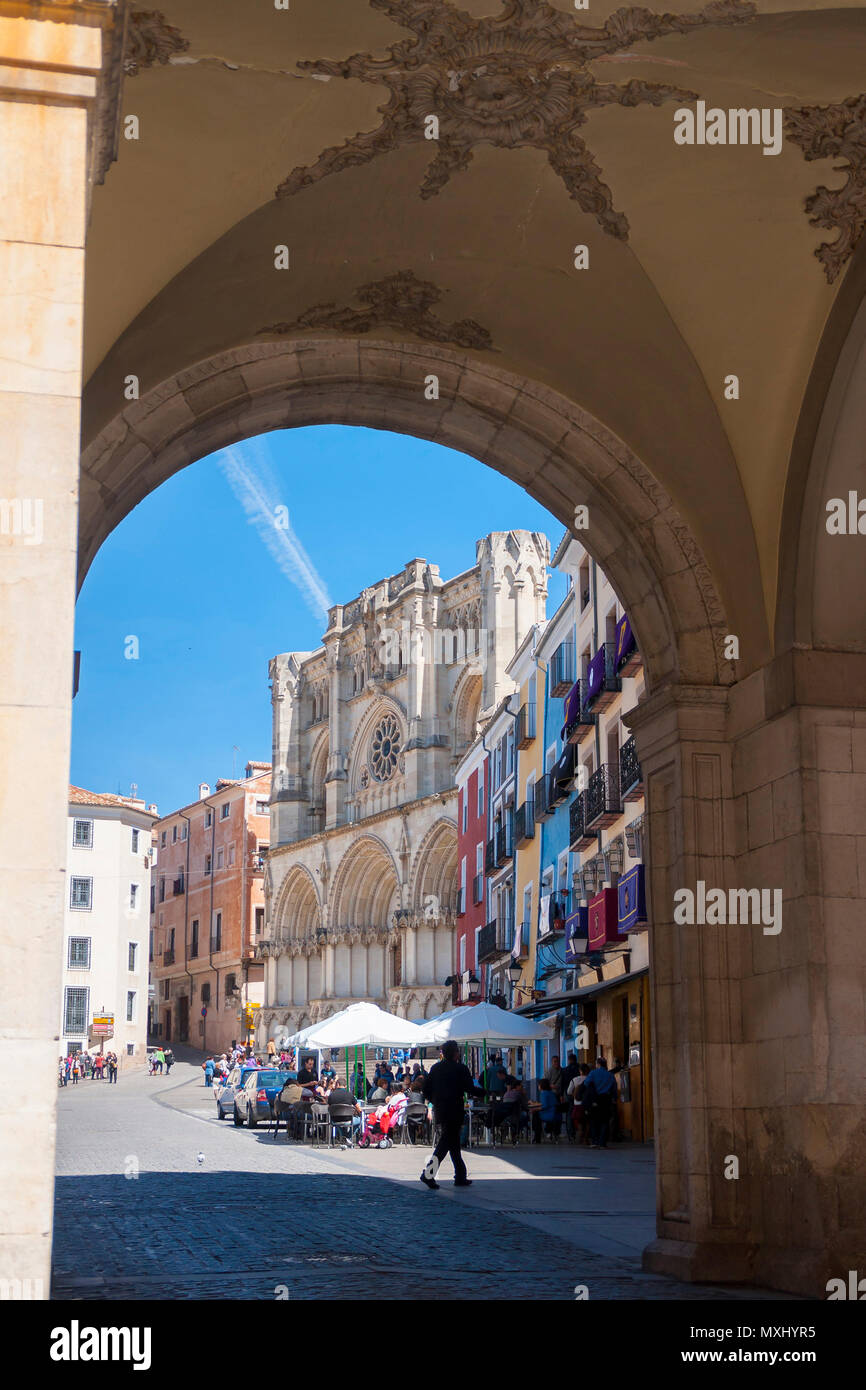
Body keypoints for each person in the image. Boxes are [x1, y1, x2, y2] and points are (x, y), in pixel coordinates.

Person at [419, 1040, 484, 1190]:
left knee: (453, 1143)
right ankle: (428, 1174)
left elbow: (426, 1089)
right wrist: (485, 1092)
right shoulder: (460, 1068)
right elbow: (470, 1088)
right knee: (445, 1143)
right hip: (455, 1109)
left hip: (441, 1109)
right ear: (455, 1053)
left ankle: (460, 1176)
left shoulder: (435, 1068)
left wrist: (435, 1100)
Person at [583, 1057, 617, 1148]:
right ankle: (602, 1142)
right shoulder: (610, 1075)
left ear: (598, 1064)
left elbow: (586, 1083)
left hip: (595, 1099)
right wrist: (614, 1099)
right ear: (605, 1064)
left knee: (594, 1120)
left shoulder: (593, 1073)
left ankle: (595, 1141)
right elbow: (614, 1088)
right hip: (606, 1099)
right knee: (605, 1121)